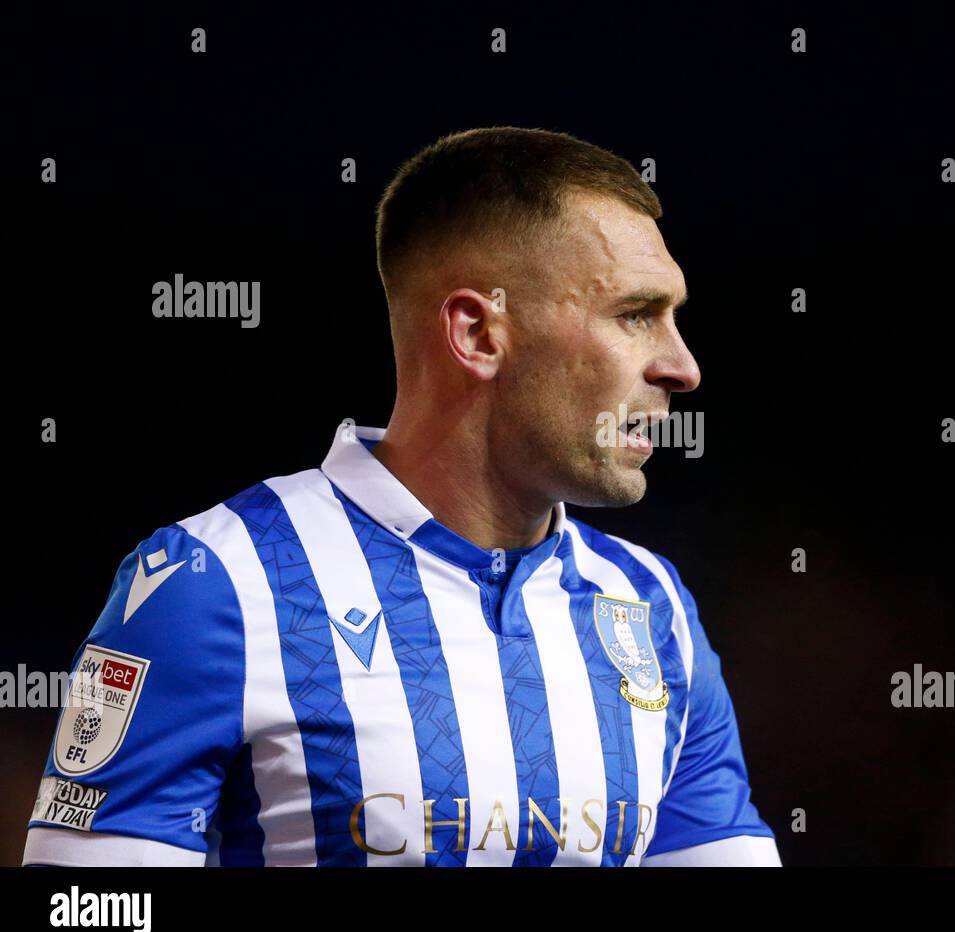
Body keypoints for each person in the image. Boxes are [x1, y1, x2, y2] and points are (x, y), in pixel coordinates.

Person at [23, 126, 780, 867]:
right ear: (479, 334)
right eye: (635, 315)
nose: (683, 367)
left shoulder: (651, 610)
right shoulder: (209, 584)